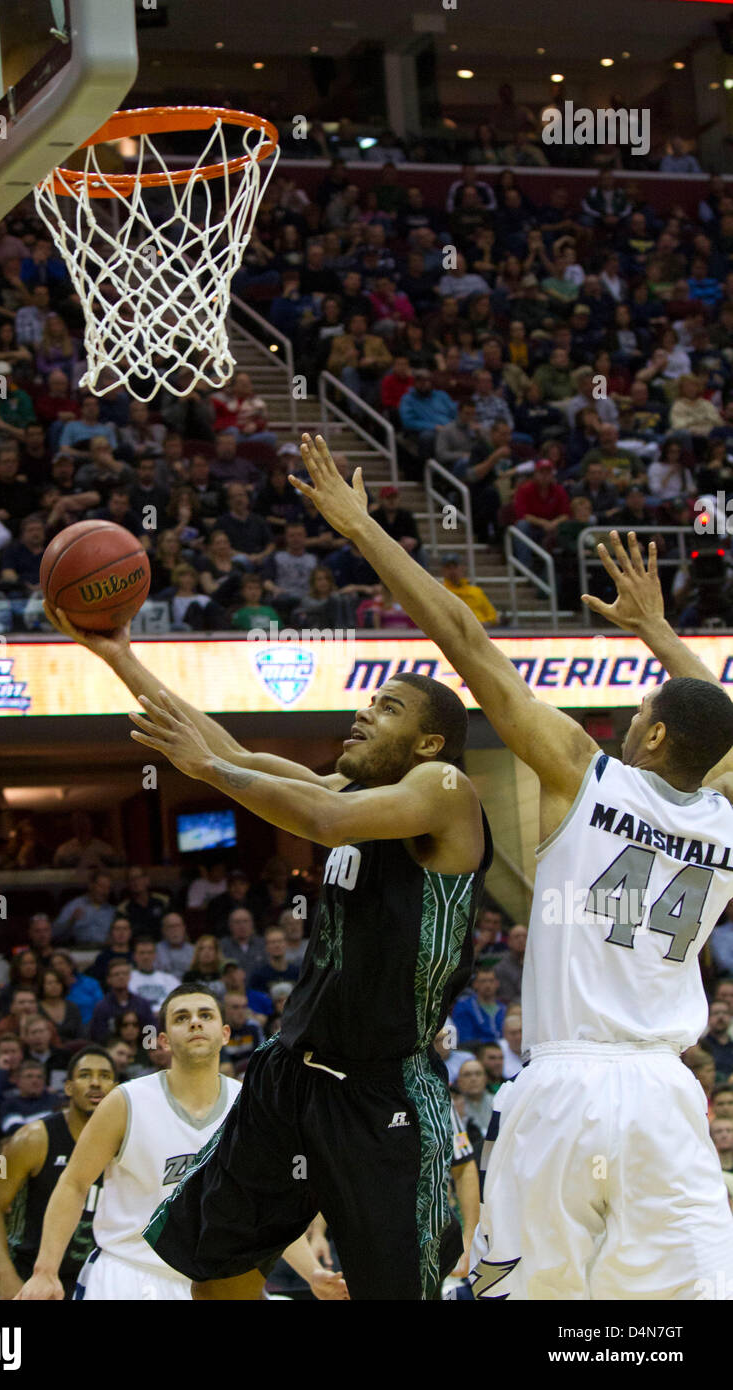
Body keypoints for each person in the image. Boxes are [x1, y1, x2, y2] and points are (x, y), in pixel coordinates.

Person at [294, 434, 733, 1299]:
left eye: (640, 708)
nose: (631, 713)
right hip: (665, 1096)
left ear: (646, 736)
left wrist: (363, 530)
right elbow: (716, 726)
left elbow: (463, 637)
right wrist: (658, 636)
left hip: (563, 1086)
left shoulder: (581, 770)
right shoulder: (723, 820)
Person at [43, 586, 491, 1302]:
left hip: (381, 1090)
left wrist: (213, 771)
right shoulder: (344, 784)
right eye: (366, 702)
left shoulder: (442, 788)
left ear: (429, 741)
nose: (363, 713)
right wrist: (120, 657)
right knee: (211, 1259)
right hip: (290, 1075)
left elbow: (314, 815)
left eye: (387, 708)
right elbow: (227, 750)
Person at [16, 987, 345, 1302]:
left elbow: (265, 1210)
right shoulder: (125, 1101)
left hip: (209, 1284)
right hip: (125, 1273)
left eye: (205, 1014)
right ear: (164, 1040)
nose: (195, 1022)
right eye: (181, 1017)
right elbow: (73, 1184)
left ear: (226, 1033)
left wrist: (313, 1273)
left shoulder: (251, 1106)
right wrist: (45, 1270)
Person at [0, 1047, 117, 1298]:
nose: (96, 1083)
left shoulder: (127, 1142)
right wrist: (5, 1274)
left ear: (117, 1088)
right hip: (33, 1276)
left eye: (105, 1076)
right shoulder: (30, 1139)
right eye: (85, 1075)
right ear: (68, 1087)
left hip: (101, 1279)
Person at [88, 959, 154, 1043]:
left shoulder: (142, 1004)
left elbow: (151, 1032)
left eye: (125, 973)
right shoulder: (102, 1007)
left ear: (130, 977)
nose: (121, 977)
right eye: (116, 974)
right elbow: (98, 1036)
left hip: (140, 1050)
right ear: (109, 979)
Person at [451, 967, 506, 1046]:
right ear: (475, 984)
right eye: (483, 981)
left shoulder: (504, 1008)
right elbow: (465, 1039)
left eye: (491, 981)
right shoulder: (463, 1007)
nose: (488, 985)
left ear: (497, 983)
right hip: (475, 1051)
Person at [128, 936, 180, 1016]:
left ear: (155, 955)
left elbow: (179, 1004)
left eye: (149, 952)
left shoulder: (170, 979)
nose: (146, 957)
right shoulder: (127, 979)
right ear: (135, 956)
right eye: (142, 953)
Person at [493, 924, 527, 1005]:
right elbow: (508, 998)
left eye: (525, 936)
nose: (521, 940)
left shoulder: (537, 965)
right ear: (509, 942)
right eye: (517, 937)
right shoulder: (501, 968)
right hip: (513, 1009)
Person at [155, 913, 195, 978]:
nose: (174, 930)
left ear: (184, 928)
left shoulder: (194, 951)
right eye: (170, 927)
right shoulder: (155, 951)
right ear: (163, 930)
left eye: (177, 926)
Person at [702, 1000, 733, 1082]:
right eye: (716, 1013)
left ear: (730, 1017)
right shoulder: (701, 1047)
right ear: (708, 1018)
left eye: (725, 1013)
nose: (721, 1017)